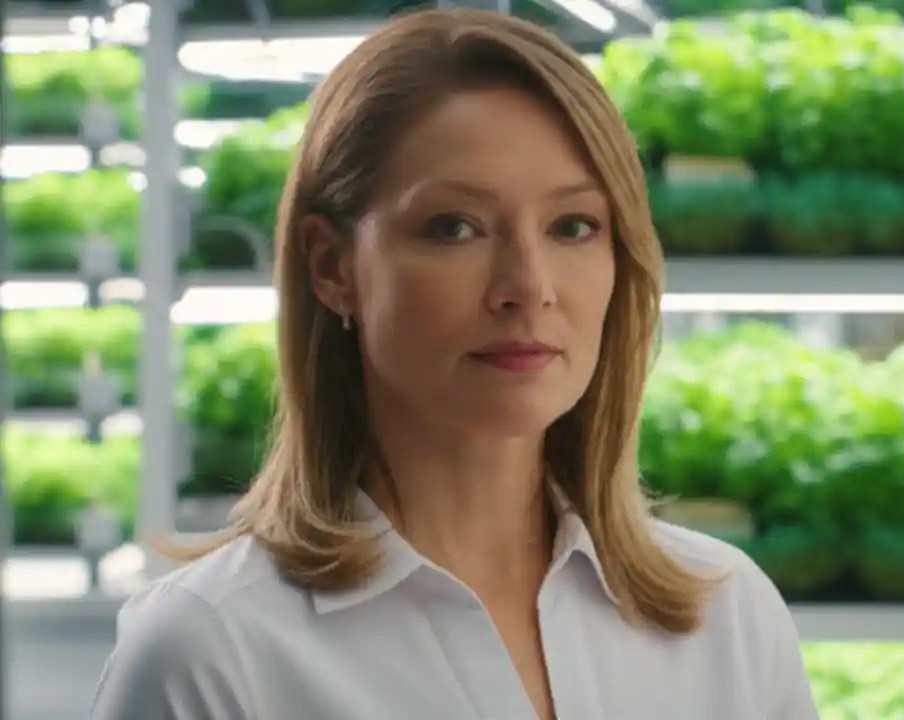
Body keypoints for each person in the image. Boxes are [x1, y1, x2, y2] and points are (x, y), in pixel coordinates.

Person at [90, 8, 818, 720]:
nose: (528, 287)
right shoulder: (211, 654)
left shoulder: (727, 619)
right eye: (454, 227)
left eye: (573, 226)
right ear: (331, 265)